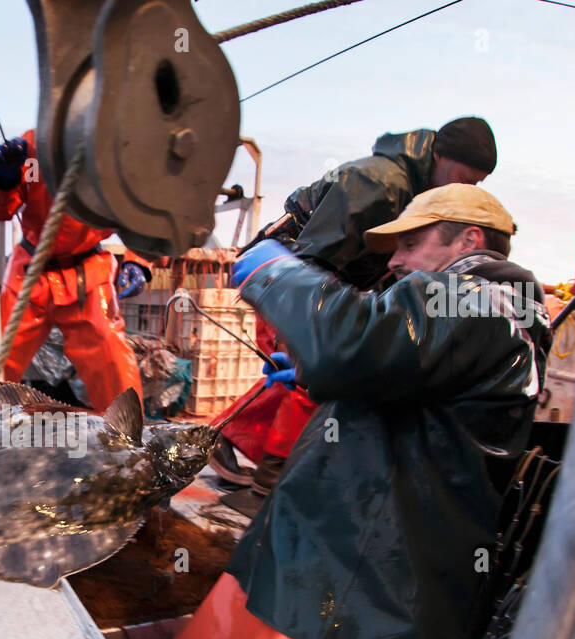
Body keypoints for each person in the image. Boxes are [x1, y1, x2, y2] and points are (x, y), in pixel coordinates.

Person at [141, 184, 552, 639]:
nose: (392, 262)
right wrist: (315, 373)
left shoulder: (491, 294)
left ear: (469, 244)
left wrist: (273, 269)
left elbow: (351, 344)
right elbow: (375, 374)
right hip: (290, 558)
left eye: (412, 244)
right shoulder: (454, 318)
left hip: (359, 605)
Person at [212, 117, 500, 491]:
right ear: (439, 155)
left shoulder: (418, 192)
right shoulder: (379, 182)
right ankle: (274, 476)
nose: (467, 189)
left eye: (476, 185)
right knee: (319, 373)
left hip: (324, 282)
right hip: (283, 277)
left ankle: (227, 438)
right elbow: (313, 255)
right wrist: (309, 326)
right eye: (465, 178)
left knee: (305, 377)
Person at [0, 131, 143, 413]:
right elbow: (0, 208)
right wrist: (2, 178)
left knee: (113, 361)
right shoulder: (30, 152)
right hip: (29, 271)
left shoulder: (115, 150)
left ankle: (128, 441)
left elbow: (141, 211)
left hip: (88, 271)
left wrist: (139, 260)